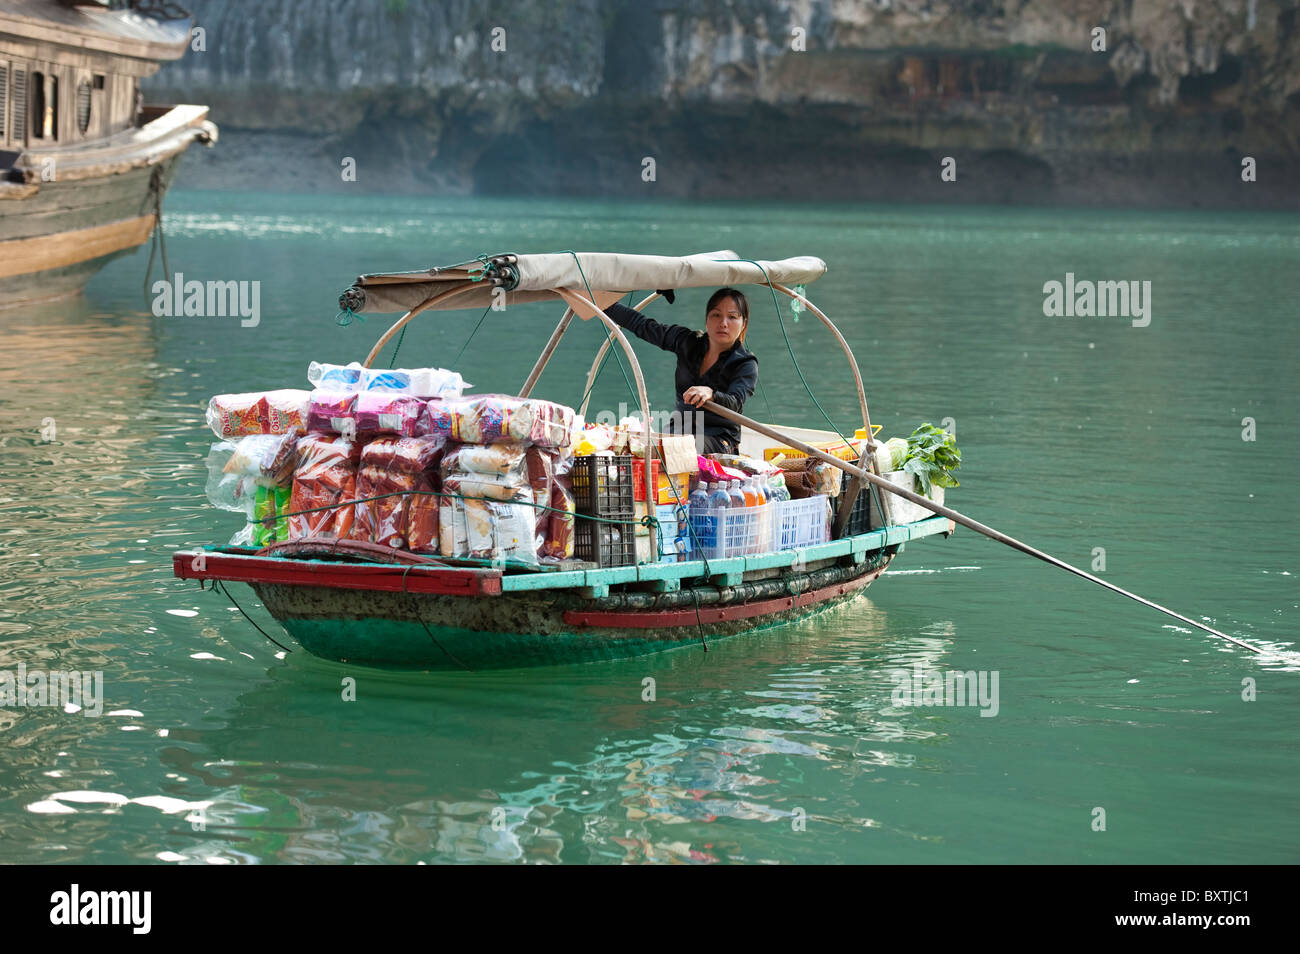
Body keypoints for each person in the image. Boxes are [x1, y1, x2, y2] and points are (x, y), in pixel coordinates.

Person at [584, 287, 758, 455]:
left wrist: (712, 394)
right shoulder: (688, 342)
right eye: (716, 315)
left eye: (732, 317)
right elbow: (642, 326)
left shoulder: (745, 363)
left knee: (682, 447)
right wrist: (598, 301)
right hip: (677, 431)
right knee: (631, 445)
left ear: (744, 324)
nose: (723, 323)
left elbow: (736, 403)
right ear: (707, 320)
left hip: (718, 439)